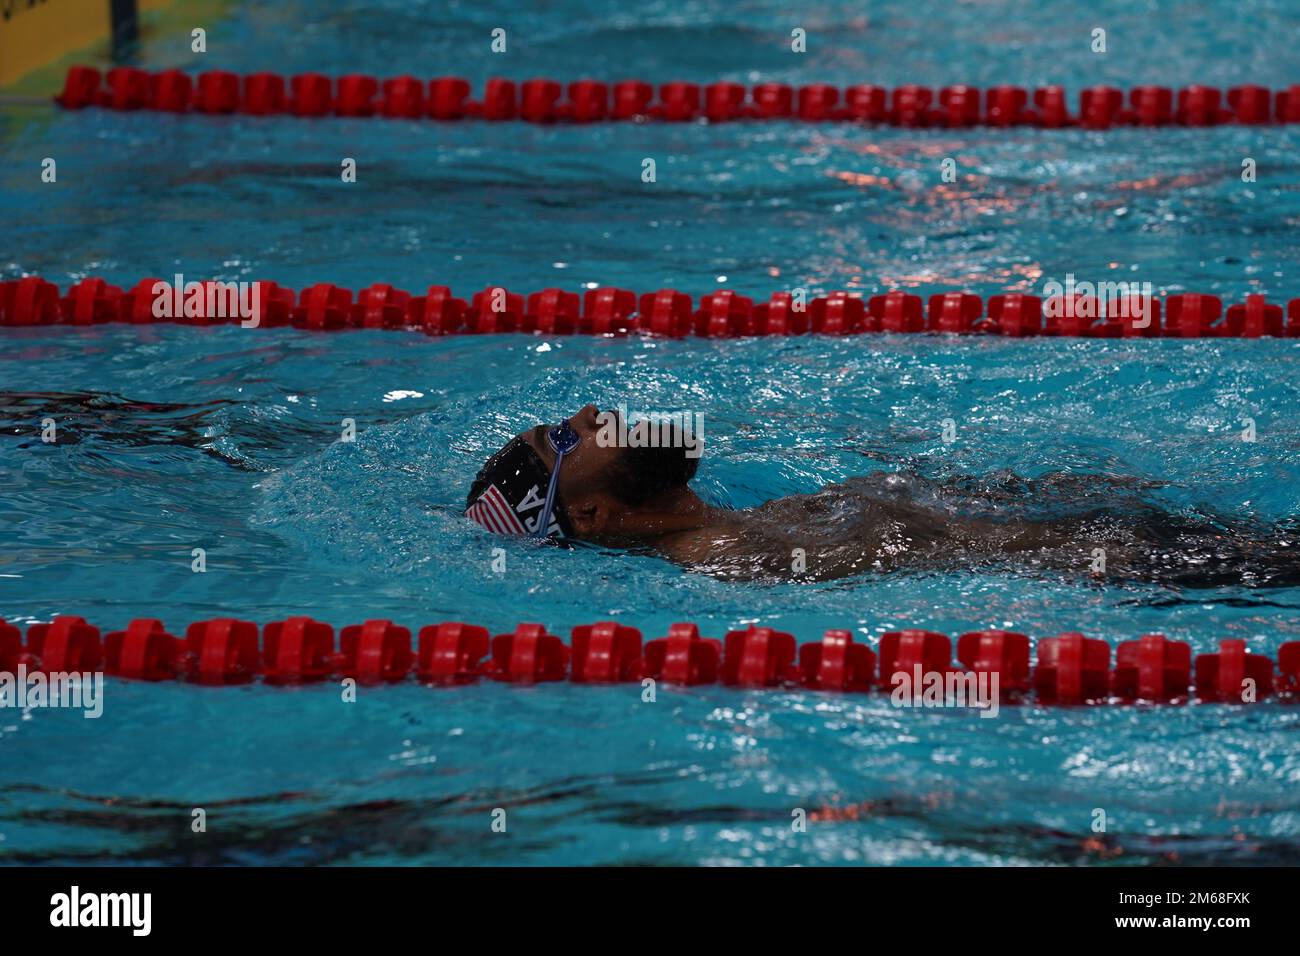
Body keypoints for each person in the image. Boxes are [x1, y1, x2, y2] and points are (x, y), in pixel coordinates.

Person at [465, 405, 1298, 587]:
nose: (585, 415)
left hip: (1115, 537)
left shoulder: (739, 524)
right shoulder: (731, 560)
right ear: (592, 516)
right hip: (1131, 563)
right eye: (562, 440)